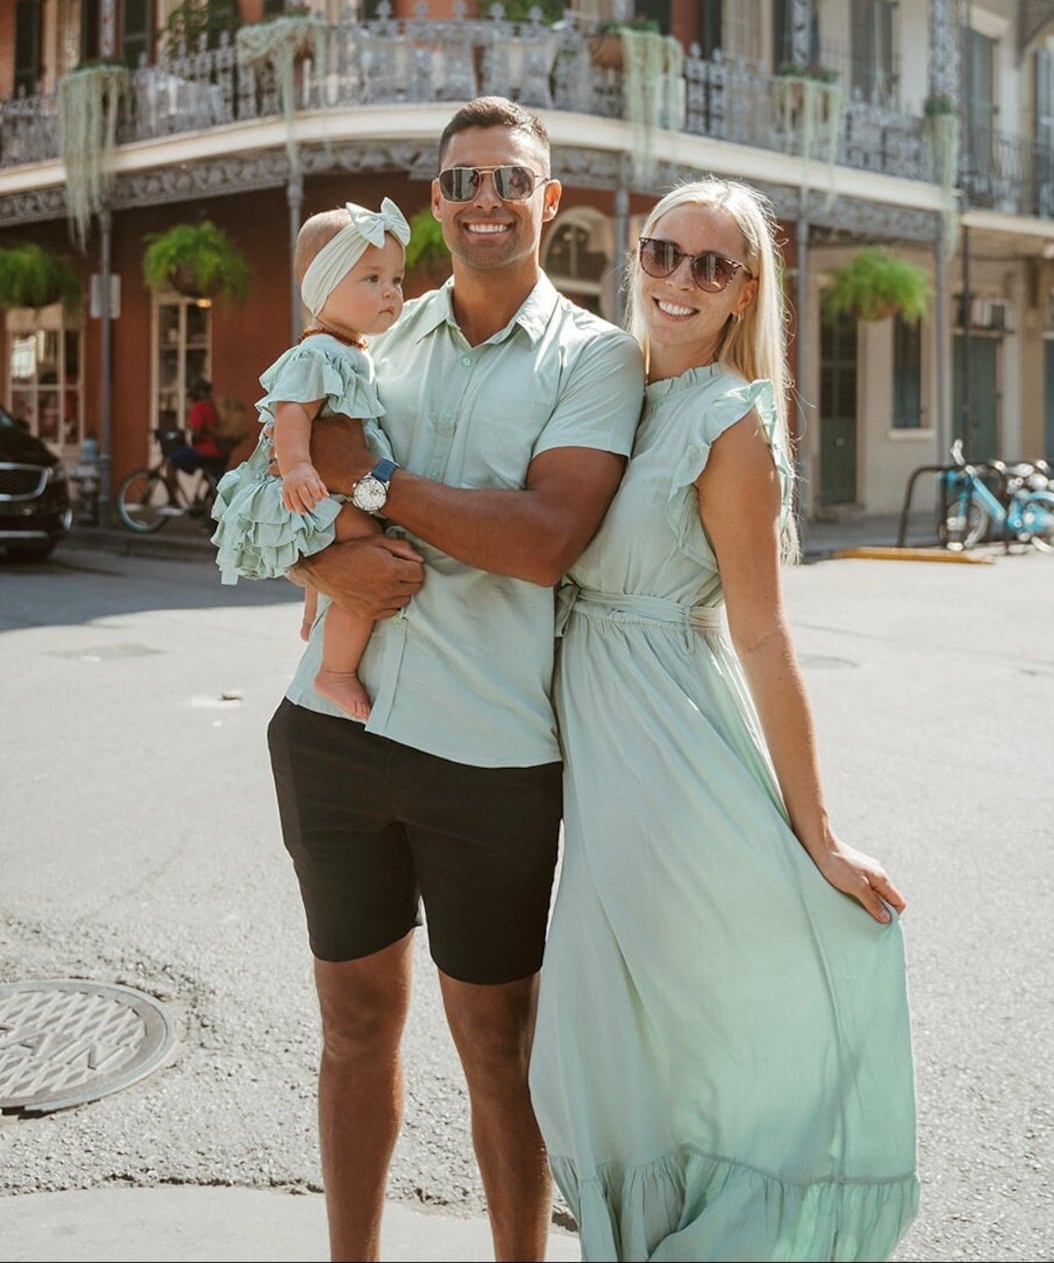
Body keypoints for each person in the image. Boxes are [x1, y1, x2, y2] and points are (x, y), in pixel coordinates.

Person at [265, 96, 646, 1262]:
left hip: (491, 756)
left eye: (510, 181)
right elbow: (276, 498)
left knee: (496, 1044)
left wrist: (374, 480)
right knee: (352, 1028)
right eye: (465, 182)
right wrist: (330, 557)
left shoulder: (599, 360)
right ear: (436, 204)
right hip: (332, 741)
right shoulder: (369, 331)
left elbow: (543, 539)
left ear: (551, 201)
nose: (488, 200)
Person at [527, 177, 920, 1262]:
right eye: (664, 254)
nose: (680, 280)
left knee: (629, 1043)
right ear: (635, 260)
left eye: (712, 265)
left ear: (748, 292)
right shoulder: (608, 386)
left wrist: (821, 835)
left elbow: (761, 637)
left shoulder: (726, 421)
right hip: (596, 743)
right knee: (598, 1052)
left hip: (663, 755)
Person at [211, 199, 409, 720]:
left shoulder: (352, 349)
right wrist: (297, 466)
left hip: (332, 482)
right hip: (311, 484)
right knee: (368, 545)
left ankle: (315, 607)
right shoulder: (317, 353)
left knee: (352, 539)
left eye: (396, 279)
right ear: (323, 287)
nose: (391, 291)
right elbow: (291, 413)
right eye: (372, 278)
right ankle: (336, 671)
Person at [167, 377, 229, 484]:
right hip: (221, 451)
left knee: (171, 461)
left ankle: (172, 495)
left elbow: (197, 433)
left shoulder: (199, 408)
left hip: (206, 451)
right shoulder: (213, 406)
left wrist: (192, 441)